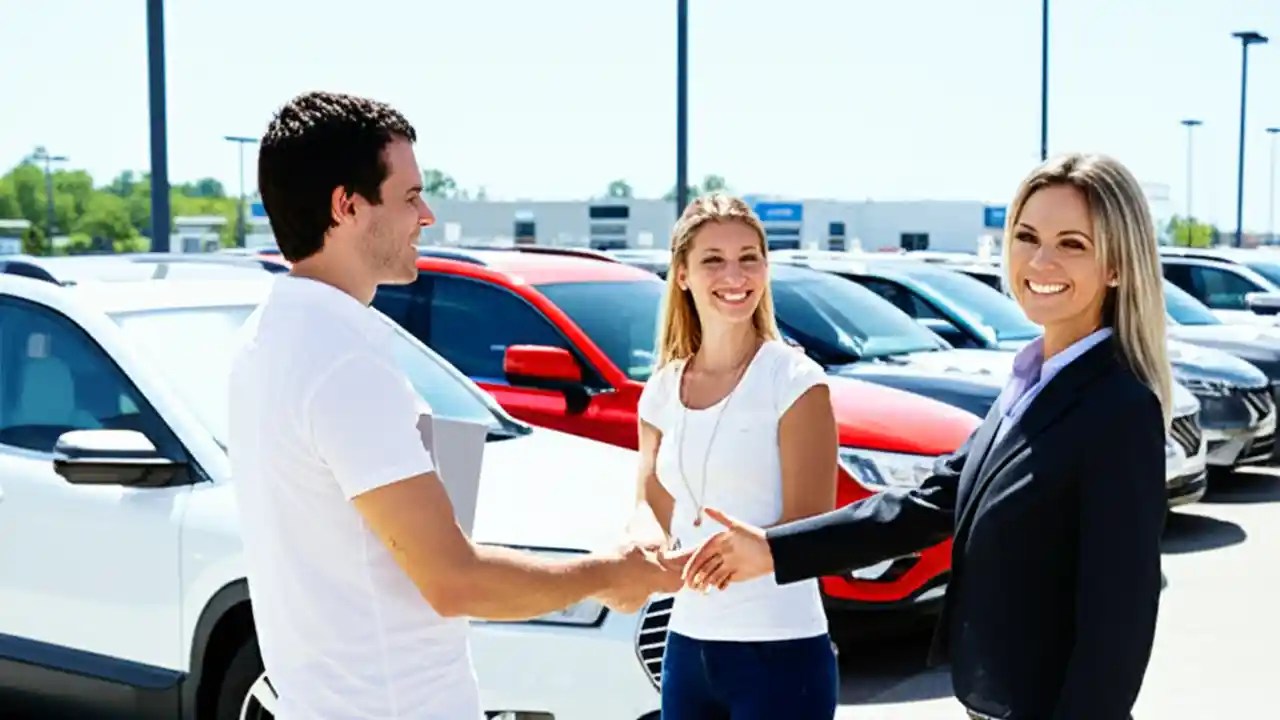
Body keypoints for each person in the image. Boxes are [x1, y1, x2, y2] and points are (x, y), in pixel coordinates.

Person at [227, 90, 677, 720]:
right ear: (346, 206)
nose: (427, 215)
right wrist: (608, 576)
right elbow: (451, 578)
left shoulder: (266, 340)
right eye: (410, 197)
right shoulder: (343, 363)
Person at [679, 153, 1172, 720]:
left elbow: (1119, 622)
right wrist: (772, 549)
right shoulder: (1031, 383)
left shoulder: (1118, 407)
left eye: (1072, 244)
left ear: (1116, 266)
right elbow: (926, 506)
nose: (1041, 260)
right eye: (1027, 236)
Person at [626, 193, 841, 718]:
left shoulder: (794, 380)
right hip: (687, 647)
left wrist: (744, 553)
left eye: (749, 258)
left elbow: (812, 526)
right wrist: (651, 551)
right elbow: (649, 505)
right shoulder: (660, 388)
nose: (735, 275)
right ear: (681, 274)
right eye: (713, 260)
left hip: (780, 650)